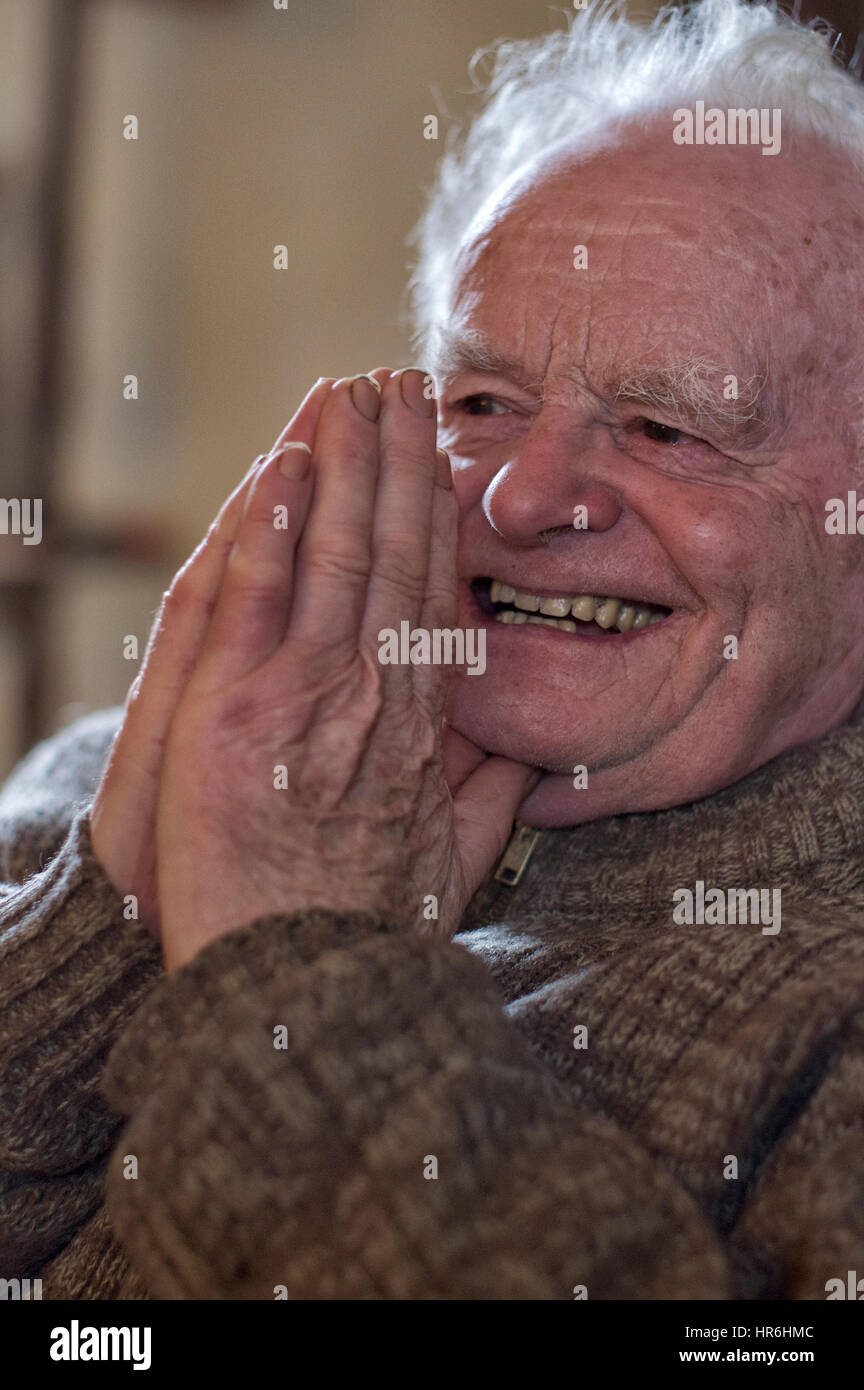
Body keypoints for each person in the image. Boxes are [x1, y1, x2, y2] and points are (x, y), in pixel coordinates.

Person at [3, 0, 864, 1299]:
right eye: (482, 402)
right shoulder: (124, 776)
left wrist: (301, 974)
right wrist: (113, 927)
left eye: (666, 427)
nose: (524, 497)